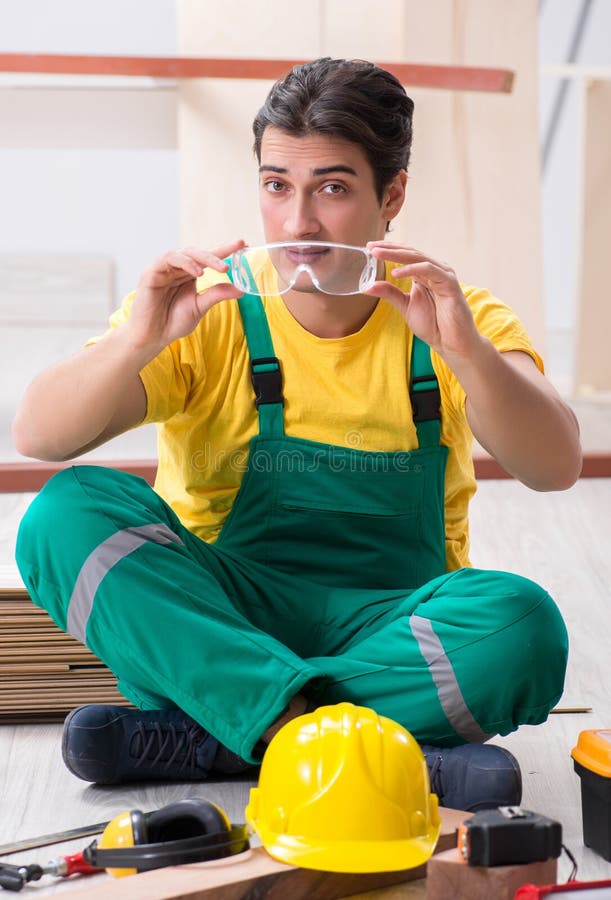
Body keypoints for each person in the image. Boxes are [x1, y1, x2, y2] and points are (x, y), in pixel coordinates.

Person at [13, 57, 581, 811]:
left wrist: (465, 352)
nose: (299, 223)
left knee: (522, 625)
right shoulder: (210, 313)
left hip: (386, 631)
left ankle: (219, 739)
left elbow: (553, 466)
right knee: (64, 511)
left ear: (393, 197)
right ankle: (355, 745)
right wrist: (139, 339)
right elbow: (39, 435)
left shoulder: (449, 315)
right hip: (218, 626)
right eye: (277, 186)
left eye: (333, 189)